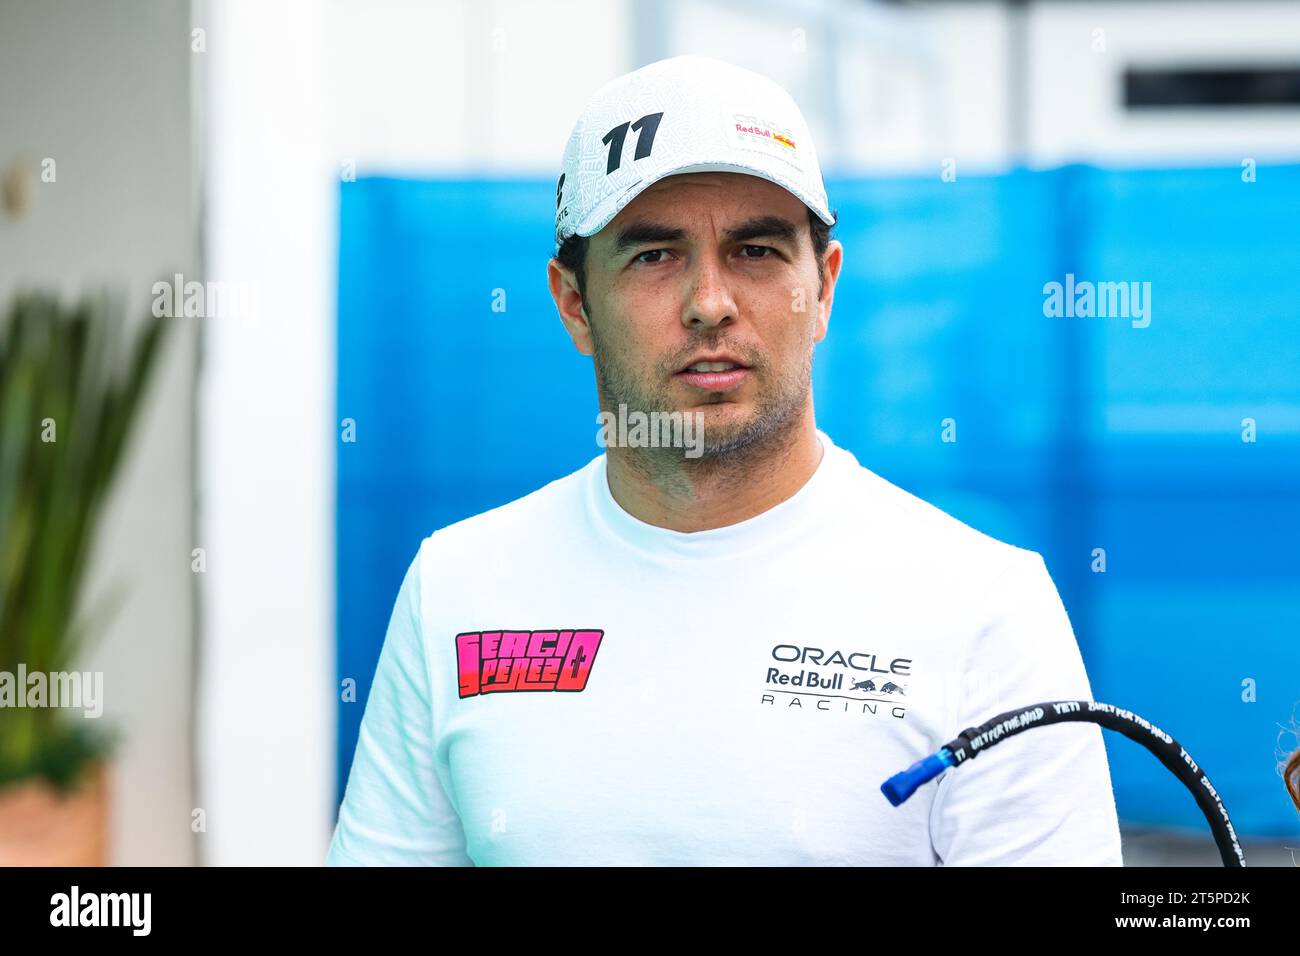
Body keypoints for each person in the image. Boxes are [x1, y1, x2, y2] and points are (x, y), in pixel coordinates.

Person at [326, 54, 1123, 866]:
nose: (710, 302)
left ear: (825, 287)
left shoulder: (985, 607)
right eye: (653, 255)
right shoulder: (458, 585)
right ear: (574, 302)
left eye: (756, 251)